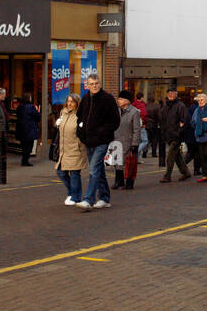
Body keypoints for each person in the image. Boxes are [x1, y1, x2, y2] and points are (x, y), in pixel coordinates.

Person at [76, 74, 120, 209]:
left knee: (94, 168)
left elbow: (115, 121)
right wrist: (80, 132)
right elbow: (79, 117)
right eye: (91, 84)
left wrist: (102, 131)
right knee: (98, 169)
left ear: (100, 84)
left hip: (102, 141)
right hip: (88, 140)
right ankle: (104, 198)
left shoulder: (107, 99)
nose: (94, 86)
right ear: (87, 85)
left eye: (96, 83)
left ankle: (88, 200)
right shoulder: (85, 99)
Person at [54, 94, 88, 206]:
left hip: (75, 149)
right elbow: (61, 130)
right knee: (60, 172)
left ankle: (76, 197)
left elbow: (83, 133)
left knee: (74, 173)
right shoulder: (63, 113)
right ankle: (72, 192)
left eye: (72, 102)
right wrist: (57, 124)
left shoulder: (81, 115)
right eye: (68, 101)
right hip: (64, 149)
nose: (69, 104)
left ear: (77, 103)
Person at [158, 87, 191, 182]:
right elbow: (162, 120)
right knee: (177, 156)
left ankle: (167, 175)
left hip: (176, 136)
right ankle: (186, 172)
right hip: (168, 135)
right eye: (169, 93)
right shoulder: (165, 106)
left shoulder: (180, 106)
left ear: (176, 94)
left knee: (170, 155)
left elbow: (185, 121)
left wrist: (179, 132)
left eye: (172, 93)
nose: (170, 95)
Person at [112, 90, 143, 190]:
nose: (118, 100)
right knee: (117, 162)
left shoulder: (134, 112)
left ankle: (129, 182)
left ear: (127, 101)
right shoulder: (116, 111)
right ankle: (119, 181)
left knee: (129, 163)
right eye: (119, 99)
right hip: (117, 140)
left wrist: (135, 144)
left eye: (121, 99)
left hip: (128, 141)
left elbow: (137, 130)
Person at [16, 93, 40, 166]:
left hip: (21, 129)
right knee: (29, 146)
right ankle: (25, 161)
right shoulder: (31, 107)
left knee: (23, 146)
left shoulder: (19, 107)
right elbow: (38, 117)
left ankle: (24, 160)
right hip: (30, 129)